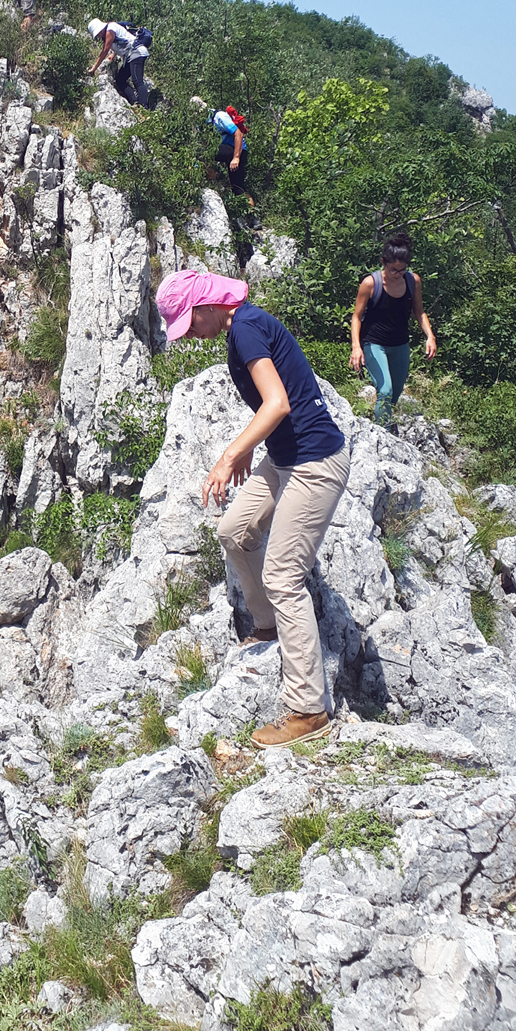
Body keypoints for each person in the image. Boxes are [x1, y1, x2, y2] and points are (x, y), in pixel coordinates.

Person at [155, 268, 351, 749]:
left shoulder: (244, 327)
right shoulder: (241, 327)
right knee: (234, 530)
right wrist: (249, 451)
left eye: (188, 323)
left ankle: (308, 710)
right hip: (285, 459)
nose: (190, 334)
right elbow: (279, 404)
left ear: (205, 306)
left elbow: (277, 403)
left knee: (283, 575)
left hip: (314, 462)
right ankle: (266, 626)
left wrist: (231, 455)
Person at [349, 232, 436, 425]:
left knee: (395, 393)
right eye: (393, 270)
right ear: (383, 262)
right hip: (374, 343)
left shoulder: (413, 281)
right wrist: (356, 347)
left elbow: (419, 312)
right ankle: (383, 433)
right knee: (385, 390)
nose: (397, 274)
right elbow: (356, 316)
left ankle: (381, 421)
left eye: (402, 270)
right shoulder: (370, 284)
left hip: (400, 344)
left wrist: (430, 336)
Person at [87, 17, 152, 108]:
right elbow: (121, 42)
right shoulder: (108, 32)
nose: (99, 36)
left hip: (136, 52)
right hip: (130, 56)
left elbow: (105, 50)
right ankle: (134, 103)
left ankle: (144, 107)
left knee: (137, 81)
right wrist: (114, 54)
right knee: (120, 80)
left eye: (98, 33)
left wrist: (94, 68)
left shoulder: (110, 29)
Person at [212, 104, 252, 203]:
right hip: (227, 150)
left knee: (238, 188)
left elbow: (239, 134)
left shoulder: (219, 117)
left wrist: (236, 158)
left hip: (237, 150)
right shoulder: (202, 121)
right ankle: (211, 179)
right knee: (205, 153)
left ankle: (250, 212)